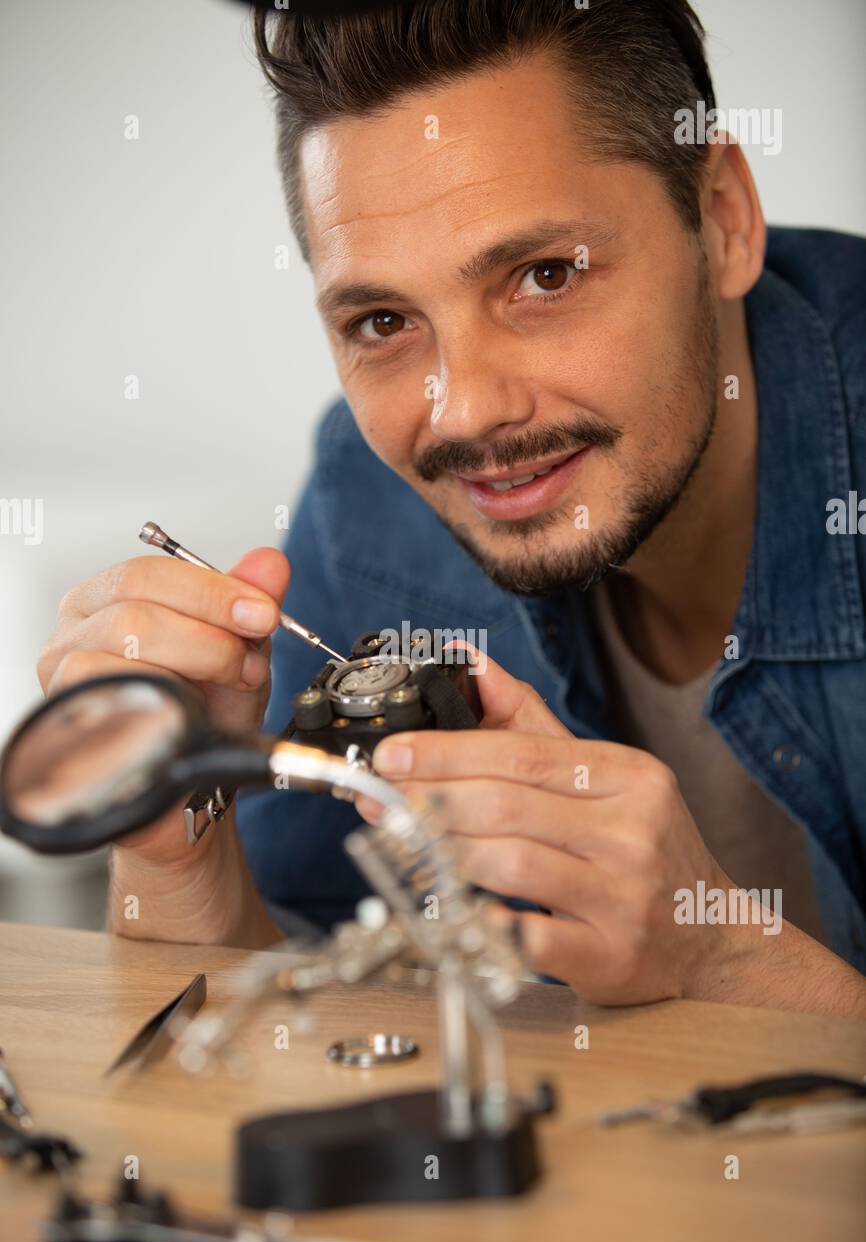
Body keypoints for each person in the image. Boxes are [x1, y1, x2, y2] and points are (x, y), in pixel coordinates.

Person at [37, 1, 866, 1016]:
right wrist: (179, 859)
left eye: (544, 276)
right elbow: (312, 1011)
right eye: (383, 320)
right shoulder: (367, 501)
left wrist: (724, 964)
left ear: (722, 218)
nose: (464, 410)